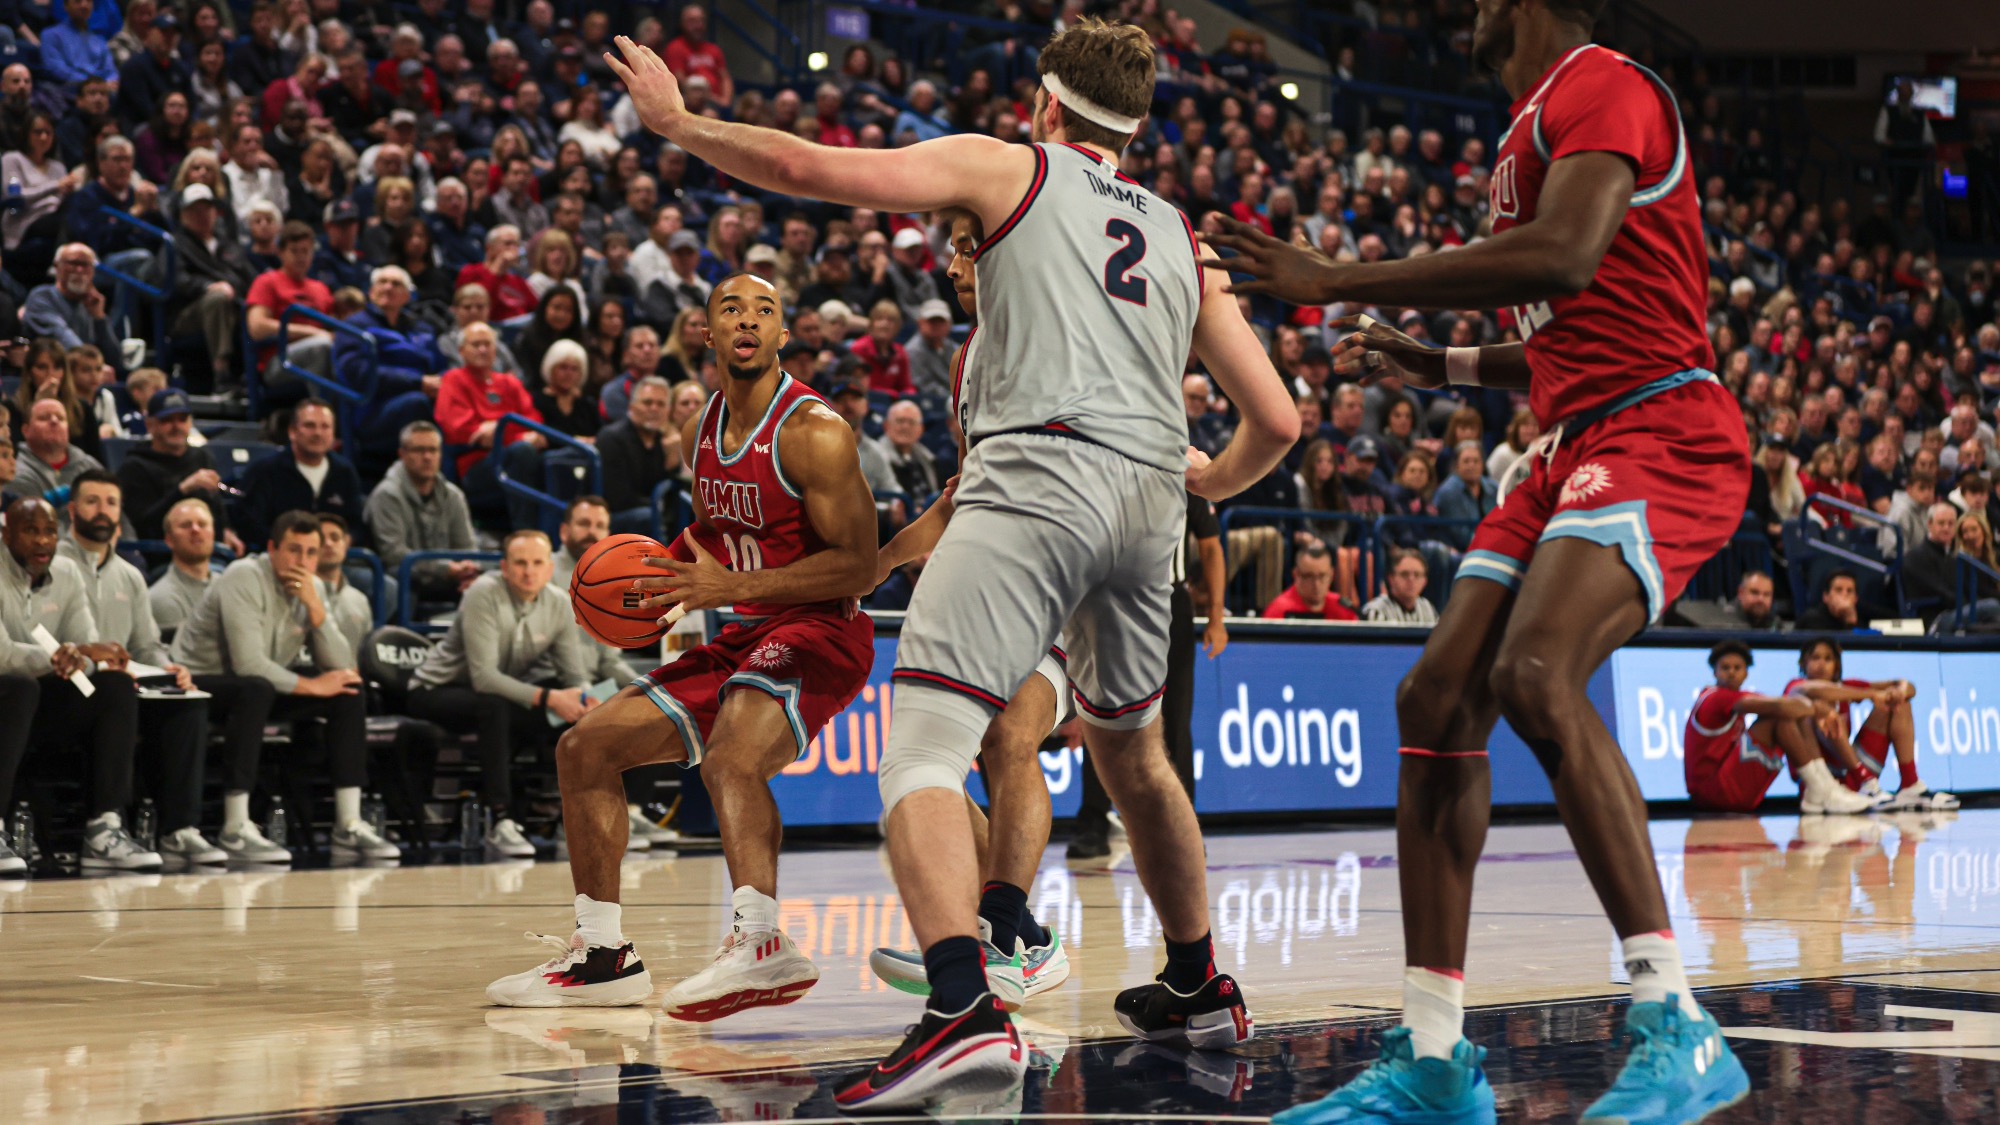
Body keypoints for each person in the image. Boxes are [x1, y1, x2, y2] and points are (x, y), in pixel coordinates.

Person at [603, 20, 1290, 1101]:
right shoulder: (1176, 231)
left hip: (1039, 473)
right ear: (1135, 124)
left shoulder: (1009, 167)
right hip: (1151, 499)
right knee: (1135, 756)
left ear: (1047, 104)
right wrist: (1211, 480)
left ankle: (961, 1005)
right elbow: (1279, 422)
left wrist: (682, 124)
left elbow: (809, 168)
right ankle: (1200, 982)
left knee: (923, 745)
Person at [1206, 1, 1757, 1118]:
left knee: (1535, 672)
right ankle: (1432, 1058)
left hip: (1662, 427)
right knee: (1435, 697)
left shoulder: (1605, 84)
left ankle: (1677, 1020)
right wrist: (1441, 363)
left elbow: (1564, 256)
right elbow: (1564, 336)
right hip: (1571, 439)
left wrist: (1340, 278)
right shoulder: (1530, 121)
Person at [485, 275, 879, 1021]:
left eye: (765, 310)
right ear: (706, 332)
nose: (747, 320)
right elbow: (713, 536)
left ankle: (761, 942)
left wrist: (729, 584)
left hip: (821, 628)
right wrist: (653, 576)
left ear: (782, 335)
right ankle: (603, 956)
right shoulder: (701, 426)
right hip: (748, 628)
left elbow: (861, 566)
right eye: (731, 308)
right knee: (585, 748)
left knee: (733, 755)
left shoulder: (815, 432)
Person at [861, 207, 1073, 998]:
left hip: (1074, 569)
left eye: (967, 251)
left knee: (1012, 731)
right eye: (950, 252)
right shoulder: (968, 358)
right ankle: (1015, 932)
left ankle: (1003, 933)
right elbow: (963, 494)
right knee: (939, 757)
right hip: (998, 576)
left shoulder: (1062, 333)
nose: (952, 268)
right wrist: (882, 561)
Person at [170, 509, 399, 863]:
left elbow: (342, 664)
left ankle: (349, 824)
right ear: (273, 548)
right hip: (199, 682)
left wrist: (317, 612)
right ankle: (235, 826)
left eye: (311, 553)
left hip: (261, 684)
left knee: (348, 689)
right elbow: (248, 664)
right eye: (294, 550)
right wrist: (314, 686)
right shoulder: (243, 575)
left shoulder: (314, 587)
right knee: (257, 688)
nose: (302, 561)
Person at [56, 471, 225, 865]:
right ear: (73, 510)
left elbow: (146, 645)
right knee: (115, 690)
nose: (102, 510)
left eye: (111, 503)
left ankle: (179, 830)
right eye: (92, 501)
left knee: (187, 701)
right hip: (69, 686)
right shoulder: (55, 565)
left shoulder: (130, 575)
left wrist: (170, 668)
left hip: (124, 689)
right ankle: (105, 827)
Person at [409, 530, 599, 858]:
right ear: (505, 567)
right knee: (498, 707)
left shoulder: (559, 602)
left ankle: (579, 819)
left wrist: (585, 699)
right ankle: (501, 820)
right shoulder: (482, 593)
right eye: (520, 563)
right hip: (435, 691)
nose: (529, 571)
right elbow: (484, 678)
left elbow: (573, 675)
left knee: (586, 711)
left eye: (537, 563)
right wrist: (552, 698)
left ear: (550, 568)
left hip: (498, 695)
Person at [0, 496, 160, 875]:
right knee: (20, 687)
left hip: (41, 699)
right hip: (8, 695)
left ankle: (105, 827)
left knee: (114, 686)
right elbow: (3, 655)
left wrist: (81, 656)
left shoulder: (68, 572)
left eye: (49, 532)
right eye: (30, 531)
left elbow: (86, 649)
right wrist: (64, 655)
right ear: (6, 534)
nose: (43, 541)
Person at [1680, 641, 1877, 815]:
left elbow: (1784, 704)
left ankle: (1823, 788)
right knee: (1779, 716)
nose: (1731, 672)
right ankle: (1823, 789)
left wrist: (1813, 710)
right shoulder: (1716, 697)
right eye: (1725, 667)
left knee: (1789, 714)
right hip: (1712, 793)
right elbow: (1781, 706)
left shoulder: (1736, 696)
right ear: (1714, 672)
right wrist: (1819, 709)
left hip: (1719, 791)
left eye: (1737, 667)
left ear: (1746, 673)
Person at [1786, 637, 1957, 810]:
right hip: (1818, 783)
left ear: (1837, 665)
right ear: (1803, 663)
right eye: (1815, 658)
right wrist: (1871, 695)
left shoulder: (1845, 686)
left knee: (1899, 703)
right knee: (1821, 710)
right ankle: (1864, 781)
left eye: (1828, 658)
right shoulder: (1796, 686)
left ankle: (1909, 784)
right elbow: (1812, 690)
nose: (1821, 664)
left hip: (1849, 775)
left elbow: (1906, 686)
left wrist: (1899, 691)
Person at [435, 322, 549, 531]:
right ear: (461, 351)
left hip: (514, 457)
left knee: (557, 461)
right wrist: (517, 435)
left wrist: (498, 429)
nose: (483, 349)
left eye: (487, 344)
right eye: (476, 344)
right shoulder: (454, 380)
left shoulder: (509, 382)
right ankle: (526, 532)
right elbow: (462, 431)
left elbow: (534, 421)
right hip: (477, 467)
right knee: (522, 451)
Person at [362, 421, 478, 601]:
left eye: (433, 450)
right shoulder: (386, 495)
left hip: (447, 576)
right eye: (419, 450)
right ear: (402, 454)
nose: (427, 457)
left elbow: (467, 548)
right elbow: (394, 554)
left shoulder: (453, 495)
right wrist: (445, 568)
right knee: (401, 577)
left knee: (483, 585)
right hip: (406, 577)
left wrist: (468, 570)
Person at [233, 399, 366, 548]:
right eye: (310, 425)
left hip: (332, 558)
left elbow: (356, 525)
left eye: (325, 427)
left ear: (333, 434)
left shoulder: (345, 472)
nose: (318, 433)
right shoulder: (264, 471)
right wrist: (291, 546)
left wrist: (343, 542)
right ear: (292, 432)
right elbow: (249, 524)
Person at [166, 183, 256, 388]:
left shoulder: (230, 246)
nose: (202, 215)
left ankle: (257, 375)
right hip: (188, 313)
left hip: (235, 306)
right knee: (217, 299)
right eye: (195, 210)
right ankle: (221, 371)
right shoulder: (175, 245)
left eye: (206, 209)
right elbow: (177, 280)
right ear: (183, 215)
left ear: (216, 212)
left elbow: (251, 279)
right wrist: (208, 286)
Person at [595, 374, 679, 534]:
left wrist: (672, 464)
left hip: (650, 512)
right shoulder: (611, 438)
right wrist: (659, 508)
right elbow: (618, 498)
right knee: (647, 517)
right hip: (614, 517)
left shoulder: (666, 443)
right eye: (647, 402)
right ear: (632, 406)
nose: (654, 409)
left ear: (668, 411)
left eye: (660, 404)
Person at [23, 244, 122, 358]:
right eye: (73, 263)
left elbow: (115, 358)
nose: (79, 270)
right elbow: (62, 336)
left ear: (93, 271)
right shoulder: (42, 297)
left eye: (85, 265)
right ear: (57, 266)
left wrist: (99, 318)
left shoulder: (90, 304)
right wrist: (93, 363)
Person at [148, 497, 222, 635]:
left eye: (202, 524)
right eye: (186, 525)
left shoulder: (227, 586)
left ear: (213, 533)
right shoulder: (161, 599)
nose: (195, 529)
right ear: (169, 540)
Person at [1263, 544, 1359, 621]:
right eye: (1308, 576)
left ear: (1331, 575)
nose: (1316, 584)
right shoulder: (1278, 612)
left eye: (1322, 576)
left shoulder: (1343, 608)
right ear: (1296, 575)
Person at [1363, 547, 1441, 626]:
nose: (1411, 580)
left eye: (1417, 575)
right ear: (1391, 579)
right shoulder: (1376, 611)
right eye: (1404, 574)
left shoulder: (1427, 608)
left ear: (1425, 581)